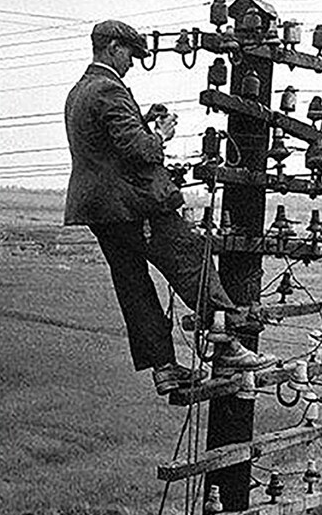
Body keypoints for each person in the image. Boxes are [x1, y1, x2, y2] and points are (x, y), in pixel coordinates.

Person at [63, 19, 275, 395]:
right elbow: (142, 150)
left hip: (99, 211)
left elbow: (107, 147)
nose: (132, 62)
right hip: (135, 205)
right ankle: (226, 348)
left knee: (135, 287)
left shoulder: (80, 92)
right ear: (113, 47)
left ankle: (164, 367)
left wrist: (142, 122)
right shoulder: (110, 89)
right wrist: (159, 134)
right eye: (130, 53)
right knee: (192, 257)